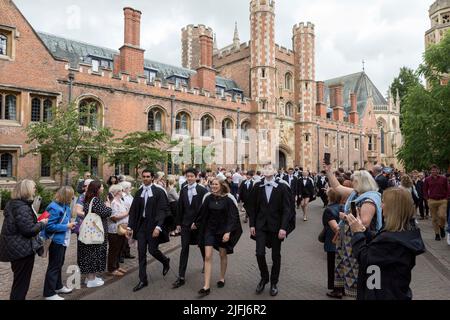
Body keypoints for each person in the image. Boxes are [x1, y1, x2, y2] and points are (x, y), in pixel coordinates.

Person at [347, 188, 425, 300]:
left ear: (392, 208)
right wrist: (363, 230)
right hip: (388, 289)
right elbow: (378, 245)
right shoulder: (402, 232)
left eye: (383, 202)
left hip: (382, 293)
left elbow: (365, 258)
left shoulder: (391, 240)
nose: (381, 206)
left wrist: (357, 233)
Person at [324, 162, 382, 299]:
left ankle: (358, 294)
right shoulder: (356, 194)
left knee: (356, 269)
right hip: (347, 240)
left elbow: (364, 224)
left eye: (355, 181)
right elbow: (337, 187)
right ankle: (345, 291)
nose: (352, 183)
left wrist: (345, 216)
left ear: (362, 182)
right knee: (345, 267)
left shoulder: (369, 199)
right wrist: (328, 172)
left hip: (357, 241)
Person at [0, 180, 48, 300]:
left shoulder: (15, 204)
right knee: (21, 285)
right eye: (33, 187)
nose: (35, 189)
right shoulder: (22, 207)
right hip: (21, 251)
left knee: (19, 282)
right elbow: (28, 230)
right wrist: (42, 223)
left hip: (16, 249)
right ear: (26, 190)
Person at [194, 178, 243, 297]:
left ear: (221, 186)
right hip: (209, 230)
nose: (213, 186)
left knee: (222, 254)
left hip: (222, 231)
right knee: (207, 256)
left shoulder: (228, 199)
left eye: (216, 184)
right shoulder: (208, 198)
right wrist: (196, 223)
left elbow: (233, 217)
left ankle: (222, 278)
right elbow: (202, 213)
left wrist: (228, 232)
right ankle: (206, 286)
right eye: (212, 184)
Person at [248, 165, 291, 297]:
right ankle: (264, 277)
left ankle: (273, 282)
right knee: (259, 253)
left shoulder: (282, 187)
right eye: (264, 168)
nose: (267, 170)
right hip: (261, 226)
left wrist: (283, 228)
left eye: (270, 168)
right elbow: (252, 207)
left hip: (276, 227)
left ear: (275, 171)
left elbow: (287, 209)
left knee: (275, 256)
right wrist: (252, 225)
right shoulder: (257, 186)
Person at [128, 170, 171, 292]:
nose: (146, 178)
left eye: (148, 176)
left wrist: (158, 227)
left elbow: (163, 210)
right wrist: (130, 227)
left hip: (153, 225)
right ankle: (143, 279)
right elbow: (133, 211)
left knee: (152, 250)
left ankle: (165, 261)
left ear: (152, 178)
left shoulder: (159, 192)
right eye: (144, 177)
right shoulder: (139, 192)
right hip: (141, 226)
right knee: (141, 253)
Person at [173, 168, 208, 289]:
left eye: (191, 176)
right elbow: (180, 207)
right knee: (184, 249)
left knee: (202, 246)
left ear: (196, 176)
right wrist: (178, 223)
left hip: (198, 225)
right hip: (185, 224)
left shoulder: (202, 190)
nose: (189, 178)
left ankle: (205, 262)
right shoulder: (183, 190)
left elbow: (205, 209)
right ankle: (181, 276)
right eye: (187, 176)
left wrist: (197, 222)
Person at [42, 186, 76, 300]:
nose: (72, 198)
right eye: (71, 196)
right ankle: (49, 293)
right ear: (66, 196)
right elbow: (49, 226)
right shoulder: (54, 207)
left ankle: (58, 286)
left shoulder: (65, 206)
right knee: (54, 266)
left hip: (63, 240)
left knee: (59, 264)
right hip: (56, 241)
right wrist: (66, 226)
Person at [77, 180, 112, 288]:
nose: (102, 189)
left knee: (89, 254)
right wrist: (108, 205)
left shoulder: (88, 199)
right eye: (101, 187)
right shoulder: (96, 200)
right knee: (94, 254)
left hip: (90, 232)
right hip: (96, 232)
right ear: (96, 189)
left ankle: (90, 278)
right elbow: (106, 213)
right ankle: (91, 280)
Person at [322, 189, 342, 299]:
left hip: (333, 242)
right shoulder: (343, 207)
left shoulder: (329, 210)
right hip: (343, 243)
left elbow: (335, 228)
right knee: (341, 265)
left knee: (332, 266)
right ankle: (341, 288)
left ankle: (336, 289)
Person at [107, 184, 129, 277]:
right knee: (114, 249)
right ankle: (112, 269)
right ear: (116, 192)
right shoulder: (113, 203)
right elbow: (114, 217)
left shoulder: (120, 201)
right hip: (114, 230)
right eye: (121, 191)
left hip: (122, 229)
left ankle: (117, 266)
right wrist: (127, 213)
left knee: (120, 248)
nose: (122, 192)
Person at [423, 165, 449, 241]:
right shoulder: (427, 179)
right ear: (430, 171)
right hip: (432, 200)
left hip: (442, 200)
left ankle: (442, 227)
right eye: (432, 170)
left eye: (435, 170)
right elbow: (424, 189)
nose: (434, 171)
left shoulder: (443, 179)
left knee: (442, 216)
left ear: (438, 170)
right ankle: (437, 234)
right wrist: (427, 198)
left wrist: (446, 198)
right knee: (434, 218)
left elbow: (447, 188)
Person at [119, 181, 135, 261]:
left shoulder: (129, 195)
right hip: (124, 218)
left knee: (127, 236)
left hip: (130, 217)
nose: (131, 189)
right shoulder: (122, 197)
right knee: (123, 237)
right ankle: (121, 255)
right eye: (129, 187)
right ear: (125, 189)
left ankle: (127, 253)